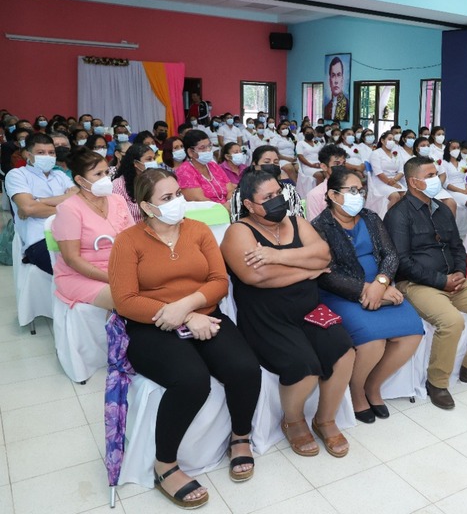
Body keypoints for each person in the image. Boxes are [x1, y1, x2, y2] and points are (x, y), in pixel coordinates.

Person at [109, 169, 261, 508]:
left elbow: (219, 281)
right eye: (167, 198)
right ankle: (165, 463)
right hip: (150, 325)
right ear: (147, 207)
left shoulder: (198, 230)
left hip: (203, 314)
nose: (178, 202)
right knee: (192, 380)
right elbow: (125, 300)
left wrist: (191, 308)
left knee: (245, 368)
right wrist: (179, 314)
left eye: (178, 193)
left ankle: (240, 436)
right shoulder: (128, 241)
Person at [221, 168, 355, 457]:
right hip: (265, 317)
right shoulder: (238, 232)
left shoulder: (296, 221)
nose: (276, 200)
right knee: (303, 366)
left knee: (344, 353)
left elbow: (324, 254)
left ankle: (325, 419)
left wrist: (277, 256)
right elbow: (257, 277)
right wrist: (309, 269)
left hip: (309, 309)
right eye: (267, 197)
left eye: (278, 193)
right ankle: (293, 421)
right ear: (249, 205)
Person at [384, 156, 467, 410]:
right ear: (413, 181)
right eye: (429, 176)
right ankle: (437, 383)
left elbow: (457, 247)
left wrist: (460, 272)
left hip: (453, 280)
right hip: (417, 284)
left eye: (436, 174)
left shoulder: (441, 209)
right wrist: (441, 281)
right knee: (452, 321)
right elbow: (402, 262)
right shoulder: (398, 215)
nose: (436, 179)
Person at [312, 168, 423, 423]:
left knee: (412, 333)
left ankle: (372, 386)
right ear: (333, 195)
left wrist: (381, 283)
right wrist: (365, 289)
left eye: (361, 190)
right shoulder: (320, 227)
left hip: (381, 286)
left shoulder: (370, 217)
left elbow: (390, 255)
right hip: (342, 292)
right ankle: (356, 389)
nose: (358, 196)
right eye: (352, 191)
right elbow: (324, 274)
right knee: (373, 341)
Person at [52, 148, 133, 309]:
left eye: (106, 172)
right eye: (98, 174)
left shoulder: (117, 200)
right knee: (126, 299)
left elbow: (133, 238)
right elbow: (72, 259)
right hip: (80, 275)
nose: (105, 178)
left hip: (120, 268)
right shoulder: (69, 209)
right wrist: (111, 277)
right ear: (80, 181)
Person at [6, 133, 77, 274]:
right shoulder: (17, 175)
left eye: (51, 153)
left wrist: (39, 201)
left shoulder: (60, 175)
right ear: (27, 154)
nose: (48, 156)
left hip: (71, 233)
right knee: (74, 270)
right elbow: (29, 208)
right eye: (41, 153)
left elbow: (78, 197)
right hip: (39, 240)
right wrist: (67, 204)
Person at [176, 130, 235, 210]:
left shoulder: (213, 166)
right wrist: (223, 208)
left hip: (229, 208)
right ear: (190, 152)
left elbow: (230, 189)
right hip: (206, 213)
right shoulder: (184, 171)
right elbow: (198, 199)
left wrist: (230, 203)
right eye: (202, 148)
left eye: (209, 146)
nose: (208, 150)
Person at [113, 144, 158, 223]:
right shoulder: (118, 185)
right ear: (135, 163)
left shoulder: (155, 180)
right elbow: (119, 216)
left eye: (154, 159)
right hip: (131, 229)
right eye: (149, 159)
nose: (153, 162)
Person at [305, 145, 346, 221]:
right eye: (336, 164)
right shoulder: (315, 195)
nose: (341, 167)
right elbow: (314, 225)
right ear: (324, 166)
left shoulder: (351, 188)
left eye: (343, 163)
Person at [369, 131, 406, 210]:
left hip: (394, 180)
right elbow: (378, 172)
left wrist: (394, 180)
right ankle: (389, 218)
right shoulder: (376, 153)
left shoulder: (396, 154)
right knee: (395, 196)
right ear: (382, 141)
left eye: (393, 139)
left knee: (406, 195)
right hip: (380, 181)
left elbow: (401, 171)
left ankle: (401, 218)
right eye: (389, 139)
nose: (392, 141)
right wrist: (390, 183)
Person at [442, 139, 467, 210]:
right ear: (448, 149)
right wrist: (462, 191)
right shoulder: (444, 163)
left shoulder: (463, 163)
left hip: (464, 189)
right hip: (452, 191)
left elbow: (465, 179)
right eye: (453, 148)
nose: (456, 150)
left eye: (458, 148)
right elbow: (446, 184)